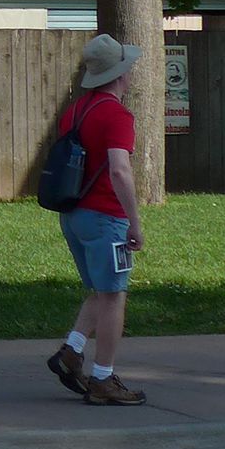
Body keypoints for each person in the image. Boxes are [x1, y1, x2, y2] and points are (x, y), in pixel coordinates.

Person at [47, 33, 148, 406]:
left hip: (74, 215)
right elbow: (120, 170)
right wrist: (134, 222)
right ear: (121, 73)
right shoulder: (117, 115)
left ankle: (72, 352)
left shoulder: (76, 110)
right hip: (106, 217)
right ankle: (103, 378)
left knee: (101, 290)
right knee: (114, 296)